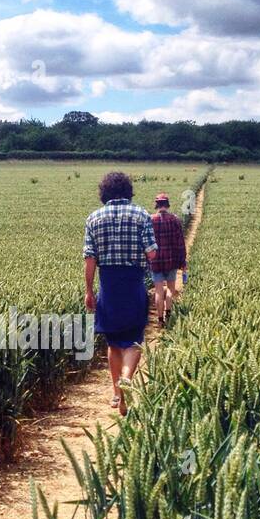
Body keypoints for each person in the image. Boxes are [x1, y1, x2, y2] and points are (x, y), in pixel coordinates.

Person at [83, 171, 158, 415]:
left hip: (109, 285)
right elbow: (151, 253)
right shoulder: (142, 215)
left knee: (113, 342)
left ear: (103, 192)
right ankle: (127, 379)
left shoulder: (94, 218)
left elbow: (90, 259)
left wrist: (89, 292)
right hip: (134, 282)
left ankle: (116, 392)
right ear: (128, 191)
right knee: (134, 339)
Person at [150, 193, 187, 327]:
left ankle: (160, 320)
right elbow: (180, 243)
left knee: (159, 290)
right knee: (171, 289)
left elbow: (147, 243)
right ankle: (169, 314)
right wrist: (182, 261)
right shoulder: (175, 220)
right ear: (167, 205)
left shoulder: (151, 220)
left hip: (155, 262)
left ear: (157, 205)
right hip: (171, 261)